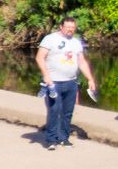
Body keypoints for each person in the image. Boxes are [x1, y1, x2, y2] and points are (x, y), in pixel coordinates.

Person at [36, 16, 97, 149]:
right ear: (61, 27)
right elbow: (40, 57)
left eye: (73, 28)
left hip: (71, 82)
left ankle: (64, 138)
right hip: (54, 82)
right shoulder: (50, 39)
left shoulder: (76, 42)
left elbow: (81, 61)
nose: (70, 30)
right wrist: (46, 75)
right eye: (68, 27)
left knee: (67, 112)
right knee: (54, 109)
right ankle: (51, 139)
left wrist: (90, 78)